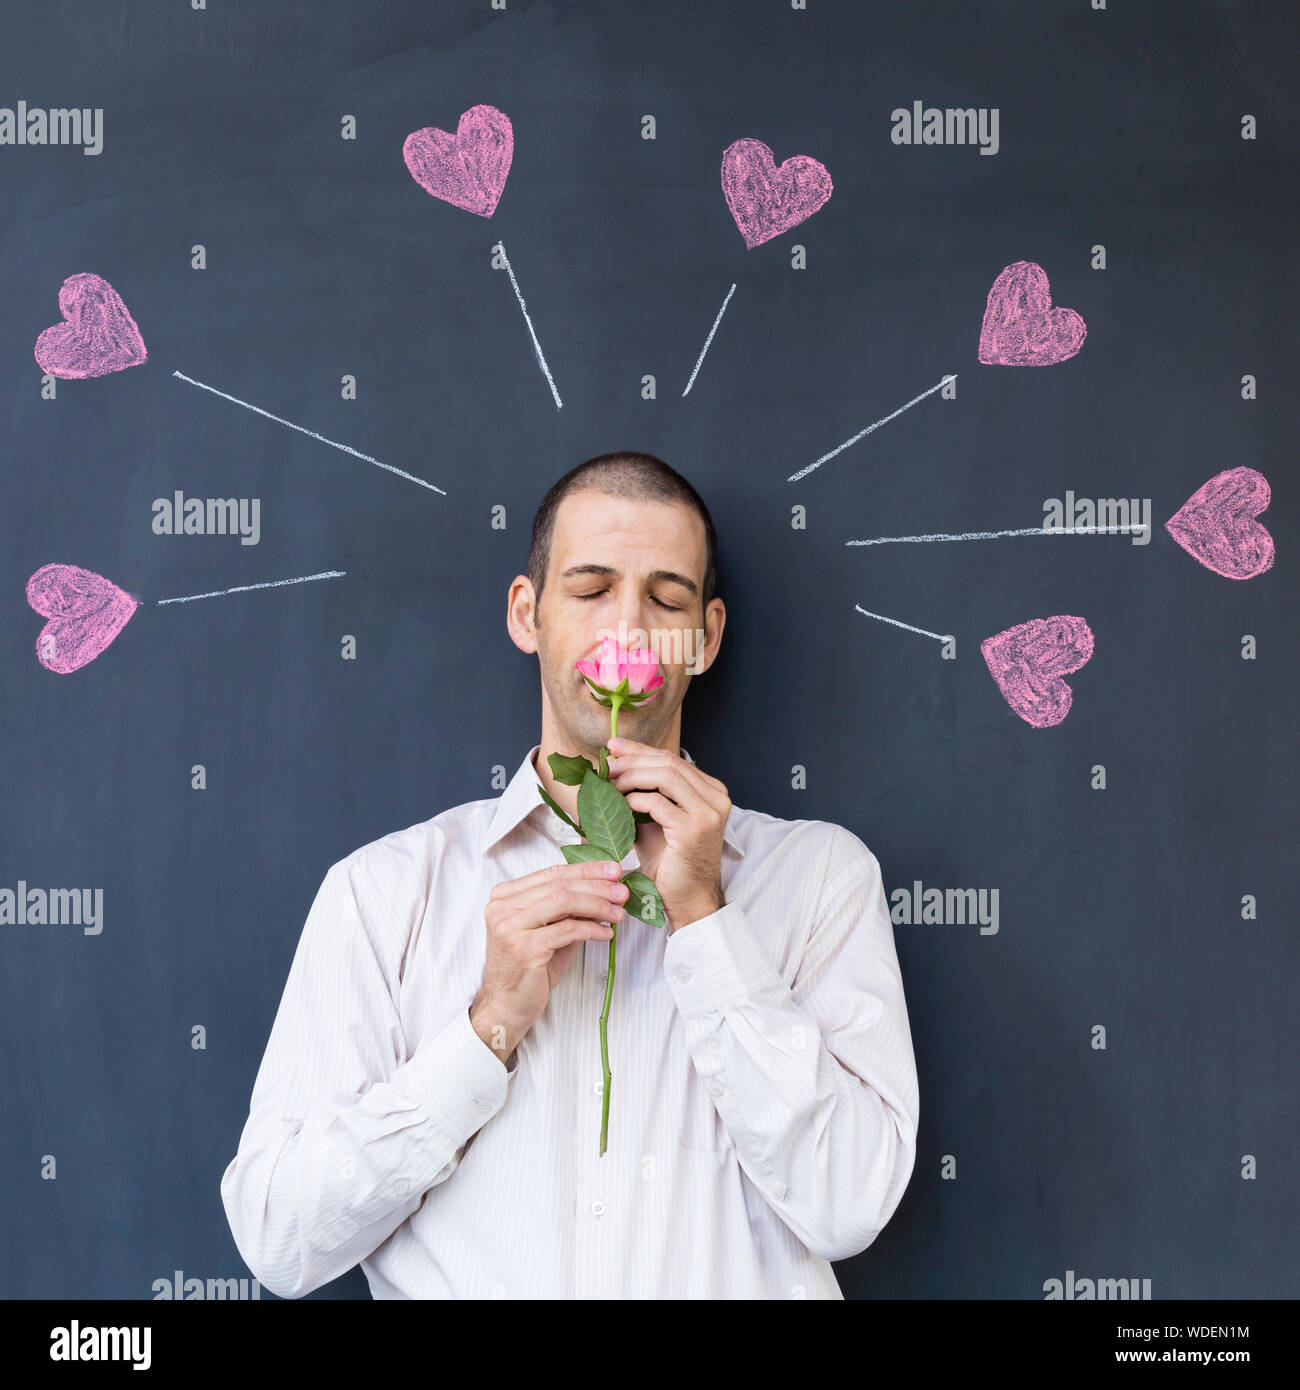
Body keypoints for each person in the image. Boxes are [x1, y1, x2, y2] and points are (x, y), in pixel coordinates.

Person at [220, 450, 919, 1299]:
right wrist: (484, 1032)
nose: (627, 629)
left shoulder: (819, 879)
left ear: (705, 638)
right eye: (590, 592)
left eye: (665, 599)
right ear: (529, 614)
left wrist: (704, 920)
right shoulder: (383, 892)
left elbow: (849, 1207)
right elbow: (280, 1238)